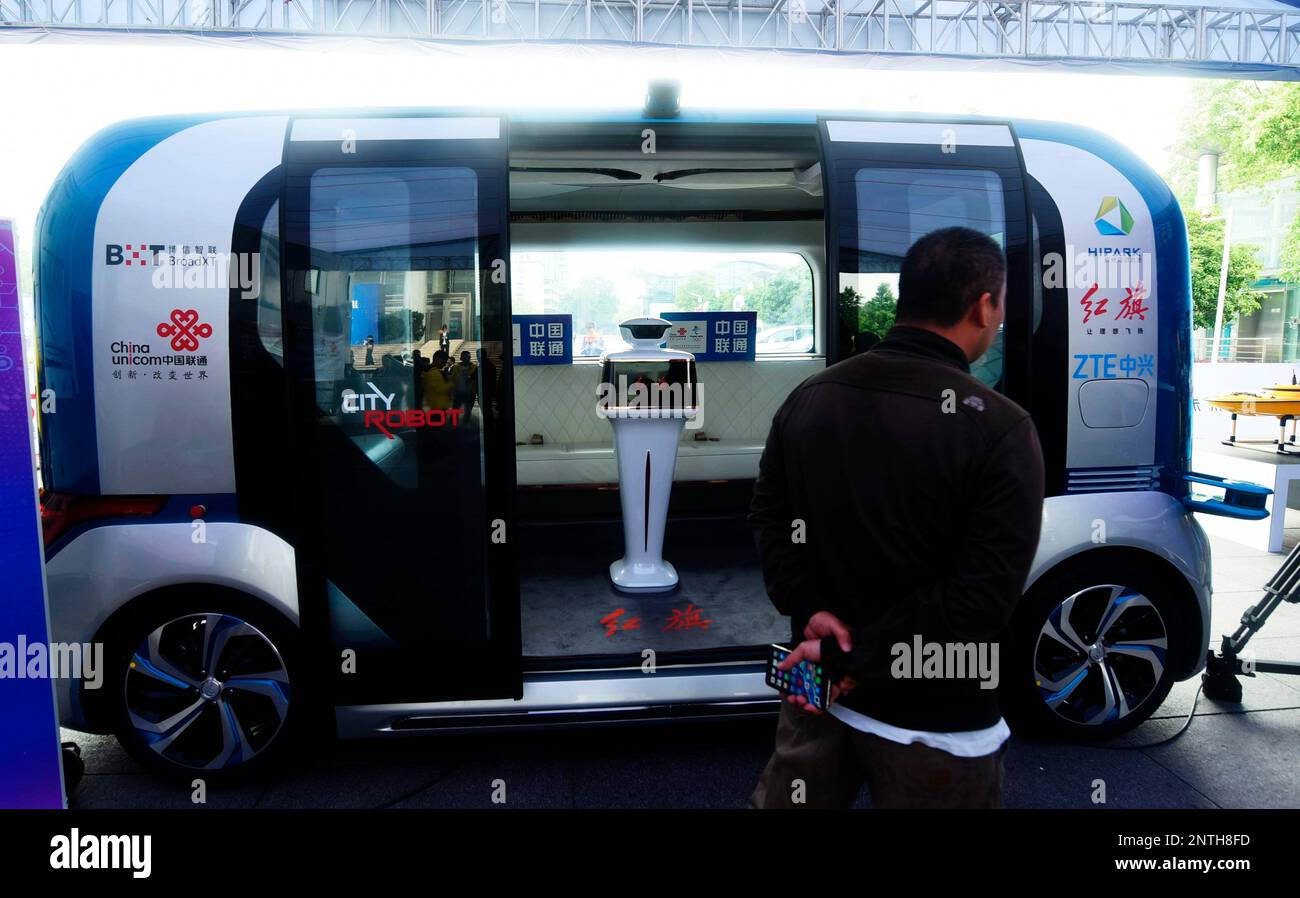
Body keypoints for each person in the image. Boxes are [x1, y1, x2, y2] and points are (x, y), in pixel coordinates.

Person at [747, 227, 1045, 810]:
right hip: (936, 718)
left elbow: (770, 517)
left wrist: (809, 612)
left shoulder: (811, 395)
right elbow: (979, 600)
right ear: (984, 305)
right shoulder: (1001, 426)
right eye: (1002, 303)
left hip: (817, 688)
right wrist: (852, 657)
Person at [451, 349, 478, 414]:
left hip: (470, 393)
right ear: (461, 358)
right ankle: (454, 421)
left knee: (468, 410)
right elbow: (452, 379)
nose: (466, 358)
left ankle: (466, 420)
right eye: (464, 357)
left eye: (468, 357)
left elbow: (476, 380)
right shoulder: (455, 367)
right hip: (458, 392)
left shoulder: (474, 367)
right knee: (455, 409)